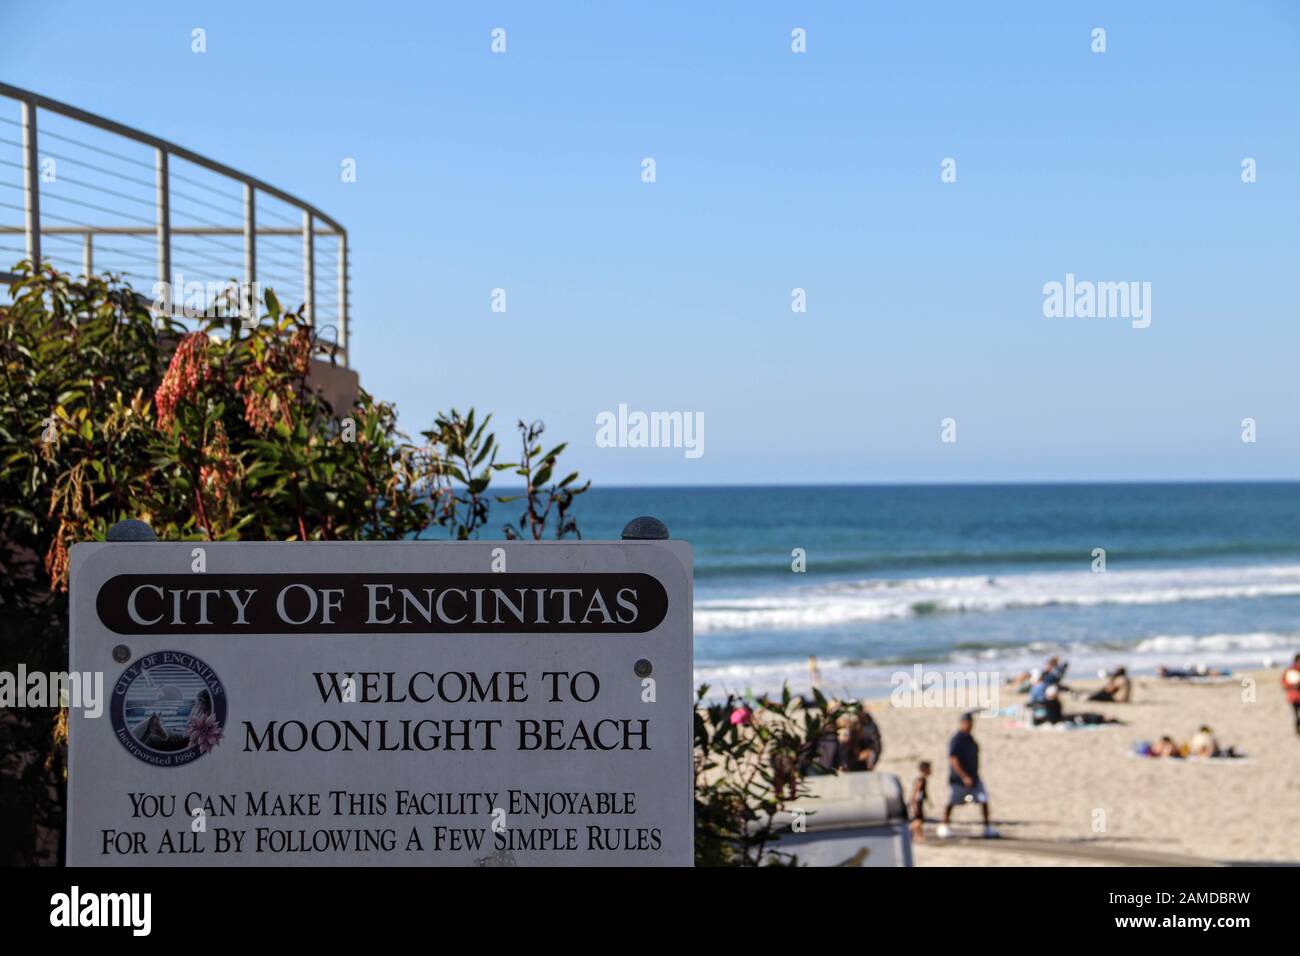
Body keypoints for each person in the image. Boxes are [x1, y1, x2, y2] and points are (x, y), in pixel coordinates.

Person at [936, 712, 998, 839]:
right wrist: (963, 776)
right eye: (968, 722)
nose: (970, 725)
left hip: (974, 777)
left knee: (983, 799)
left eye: (971, 722)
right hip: (958, 779)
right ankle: (944, 825)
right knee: (952, 801)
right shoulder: (957, 739)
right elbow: (953, 759)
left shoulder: (970, 738)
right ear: (962, 723)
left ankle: (987, 827)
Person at [909, 761, 931, 842]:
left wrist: (929, 801)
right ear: (925, 770)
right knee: (918, 820)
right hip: (917, 802)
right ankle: (919, 835)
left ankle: (914, 835)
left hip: (919, 802)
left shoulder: (923, 779)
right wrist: (913, 803)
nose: (931, 771)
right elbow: (915, 791)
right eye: (930, 769)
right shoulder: (921, 780)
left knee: (918, 820)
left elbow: (923, 792)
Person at [1283, 654, 1300, 736]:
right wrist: (1292, 685)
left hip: (1295, 697)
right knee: (1296, 716)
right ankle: (1297, 730)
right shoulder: (1290, 671)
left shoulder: (1289, 671)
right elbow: (1284, 683)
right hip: (1294, 697)